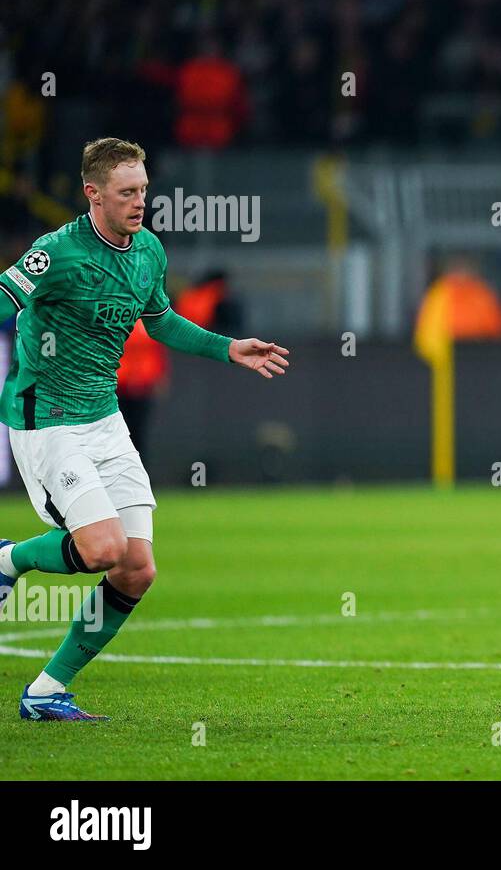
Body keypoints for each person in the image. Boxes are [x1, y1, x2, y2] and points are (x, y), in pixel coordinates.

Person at [0, 138, 289, 721]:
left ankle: (47, 689)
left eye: (144, 191)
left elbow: (160, 323)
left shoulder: (147, 251)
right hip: (46, 417)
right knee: (103, 549)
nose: (140, 202)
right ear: (94, 194)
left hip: (103, 419)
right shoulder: (56, 252)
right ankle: (11, 561)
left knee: (137, 568)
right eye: (127, 192)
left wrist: (229, 347)